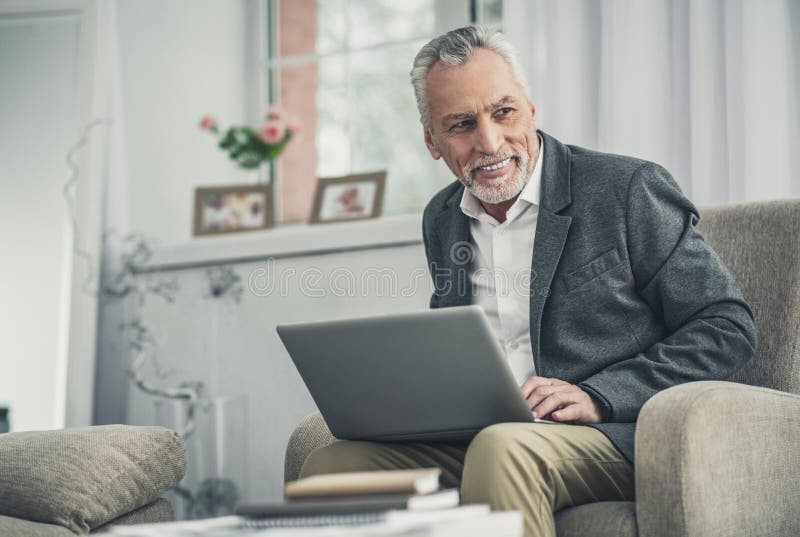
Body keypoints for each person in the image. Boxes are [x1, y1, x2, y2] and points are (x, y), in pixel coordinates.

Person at [300, 26, 756, 537]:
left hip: (609, 432)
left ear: (531, 109)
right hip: (481, 434)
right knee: (330, 467)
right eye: (461, 124)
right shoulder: (443, 217)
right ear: (432, 141)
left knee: (503, 449)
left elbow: (725, 325)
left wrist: (600, 395)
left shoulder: (626, 189)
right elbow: (457, 344)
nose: (489, 142)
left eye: (503, 112)